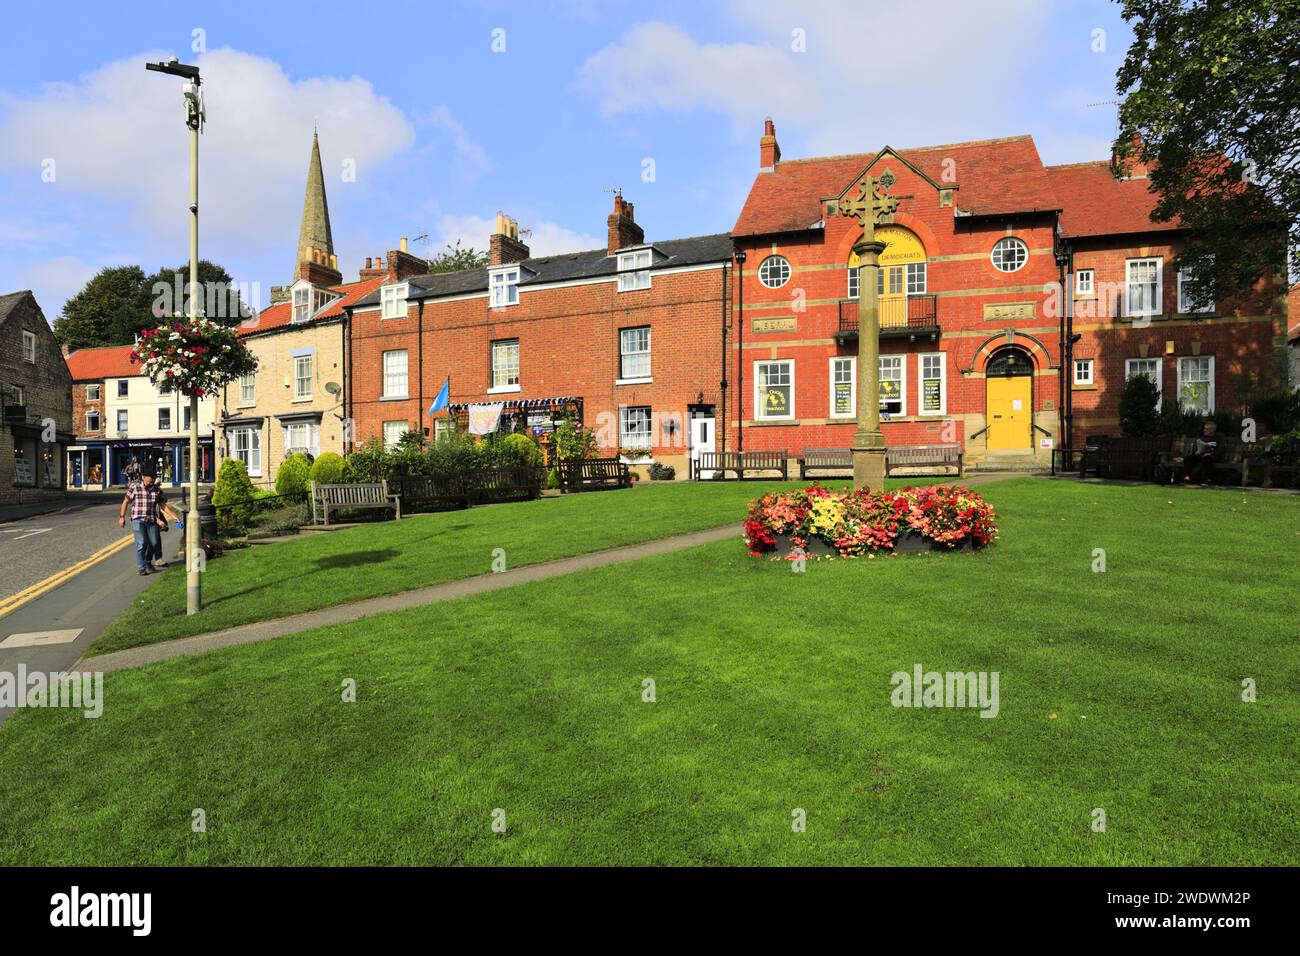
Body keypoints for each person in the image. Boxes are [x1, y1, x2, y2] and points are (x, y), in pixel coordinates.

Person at [118, 472, 179, 575]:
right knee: (141, 543)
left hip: (152, 520)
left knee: (154, 543)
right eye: (150, 478)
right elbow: (125, 501)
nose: (152, 481)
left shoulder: (157, 490)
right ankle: (141, 567)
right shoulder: (135, 487)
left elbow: (163, 506)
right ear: (144, 477)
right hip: (138, 520)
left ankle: (147, 562)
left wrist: (174, 517)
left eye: (153, 478)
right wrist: (122, 517)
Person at [1184, 420, 1221, 486]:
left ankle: (1206, 480)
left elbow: (1220, 449)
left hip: (1211, 457)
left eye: (1206, 429)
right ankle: (1187, 477)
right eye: (1204, 428)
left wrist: (1212, 454)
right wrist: (1196, 452)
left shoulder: (1217, 439)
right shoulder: (1201, 438)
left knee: (1207, 458)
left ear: (1212, 430)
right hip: (1200, 455)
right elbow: (1196, 448)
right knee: (1188, 458)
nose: (1204, 430)